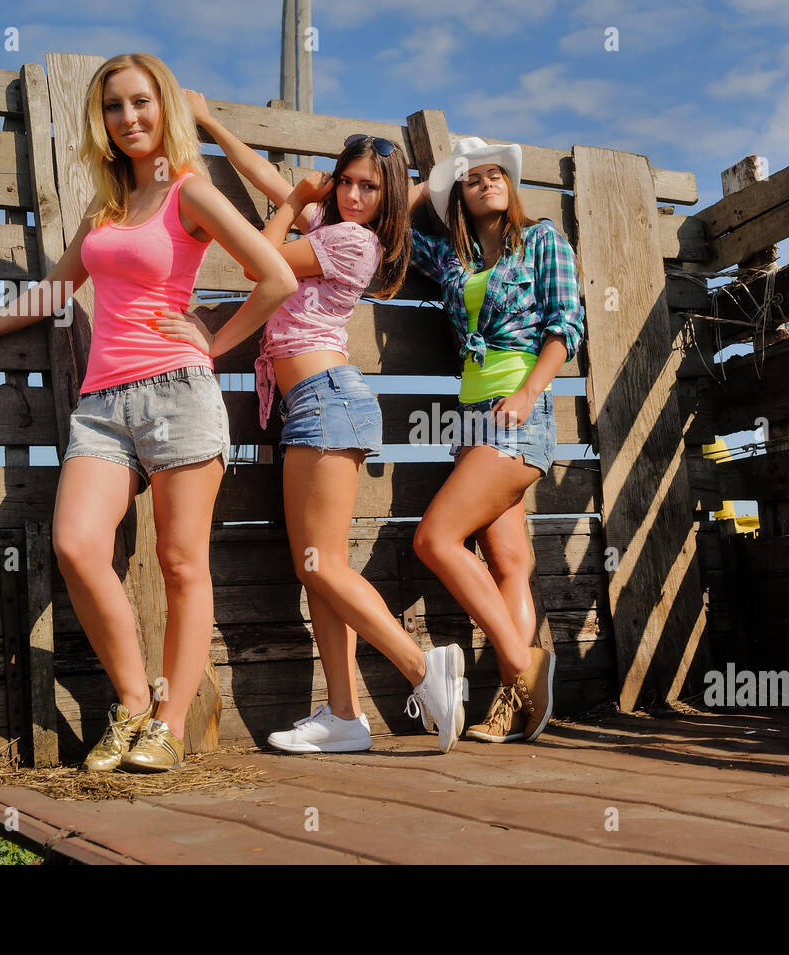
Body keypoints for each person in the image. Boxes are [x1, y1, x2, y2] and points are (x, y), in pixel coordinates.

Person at [0, 53, 299, 773]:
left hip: (178, 397)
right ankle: (132, 704)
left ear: (165, 109)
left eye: (141, 102)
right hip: (101, 406)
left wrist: (211, 341)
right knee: (77, 545)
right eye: (115, 107)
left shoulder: (191, 190)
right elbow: (53, 291)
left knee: (182, 563)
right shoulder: (106, 207)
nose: (130, 118)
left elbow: (275, 275)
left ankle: (169, 722)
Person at [185, 92, 466, 754]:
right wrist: (209, 122)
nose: (353, 193)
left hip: (325, 400)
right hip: (314, 403)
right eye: (346, 180)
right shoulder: (329, 219)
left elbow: (264, 261)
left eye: (370, 186)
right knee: (318, 565)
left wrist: (295, 202)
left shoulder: (349, 240)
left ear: (388, 198)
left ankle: (424, 667)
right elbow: (264, 176)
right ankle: (343, 715)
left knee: (322, 565)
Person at [406, 137, 585, 744]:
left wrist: (528, 395)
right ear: (459, 193)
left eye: (495, 174)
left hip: (516, 414)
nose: (486, 183)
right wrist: (429, 187)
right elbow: (391, 238)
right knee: (509, 563)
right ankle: (514, 706)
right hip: (469, 418)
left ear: (511, 185)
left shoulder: (542, 241)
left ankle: (521, 662)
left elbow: (565, 327)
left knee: (434, 538)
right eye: (472, 178)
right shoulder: (454, 260)